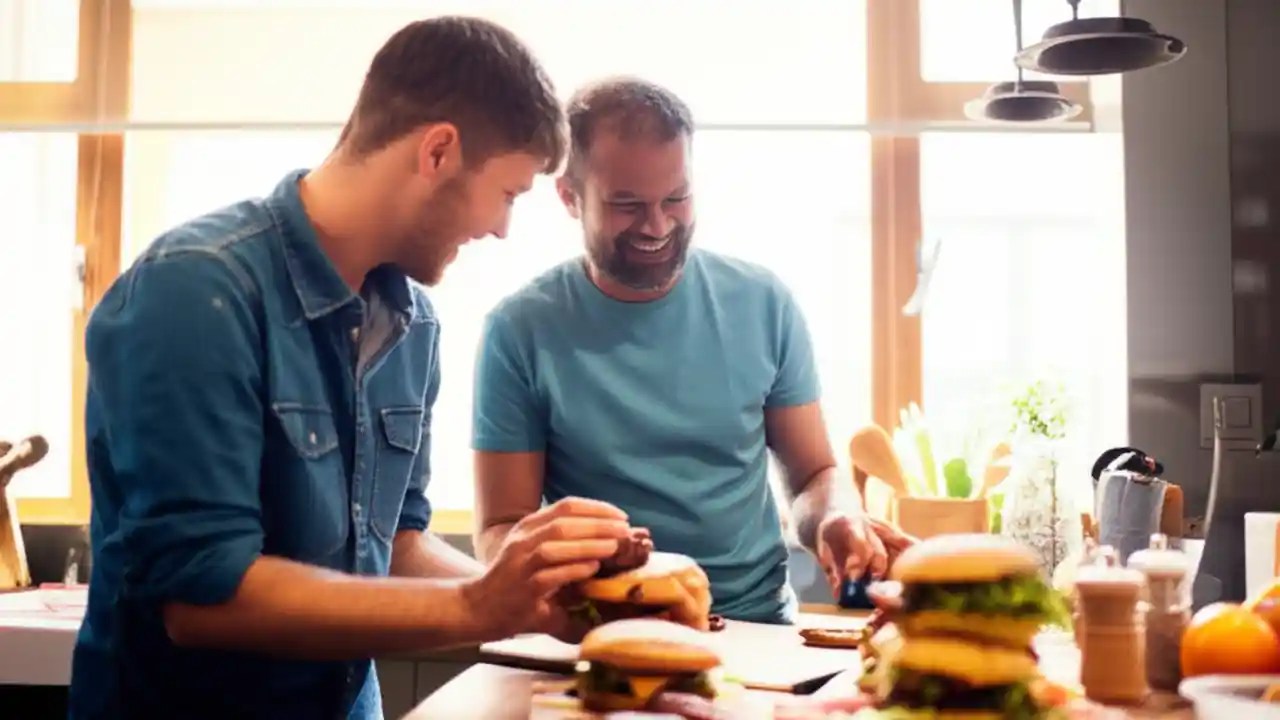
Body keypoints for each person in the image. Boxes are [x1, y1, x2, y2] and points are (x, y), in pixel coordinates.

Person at [69, 17, 633, 720]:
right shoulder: (193, 292)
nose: (500, 228)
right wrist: (478, 605)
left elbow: (394, 546)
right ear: (438, 151)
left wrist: (542, 606)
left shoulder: (413, 325)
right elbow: (201, 599)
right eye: (509, 194)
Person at [471, 77, 915, 626]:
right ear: (569, 196)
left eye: (676, 198)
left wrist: (837, 518)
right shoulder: (519, 330)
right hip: (600, 633)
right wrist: (575, 573)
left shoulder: (763, 302)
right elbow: (501, 530)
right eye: (626, 205)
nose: (657, 226)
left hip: (757, 626)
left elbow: (813, 474)